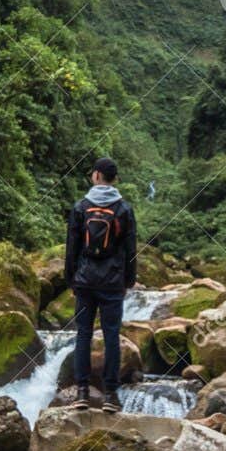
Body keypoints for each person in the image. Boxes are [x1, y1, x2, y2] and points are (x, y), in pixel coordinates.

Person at [63, 156, 137, 411]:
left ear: (96, 176)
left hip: (85, 281)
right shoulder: (124, 209)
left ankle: (82, 392)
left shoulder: (81, 207)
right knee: (111, 335)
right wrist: (129, 280)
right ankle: (110, 396)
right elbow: (131, 250)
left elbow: (72, 247)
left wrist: (70, 278)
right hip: (113, 282)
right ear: (114, 179)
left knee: (83, 334)